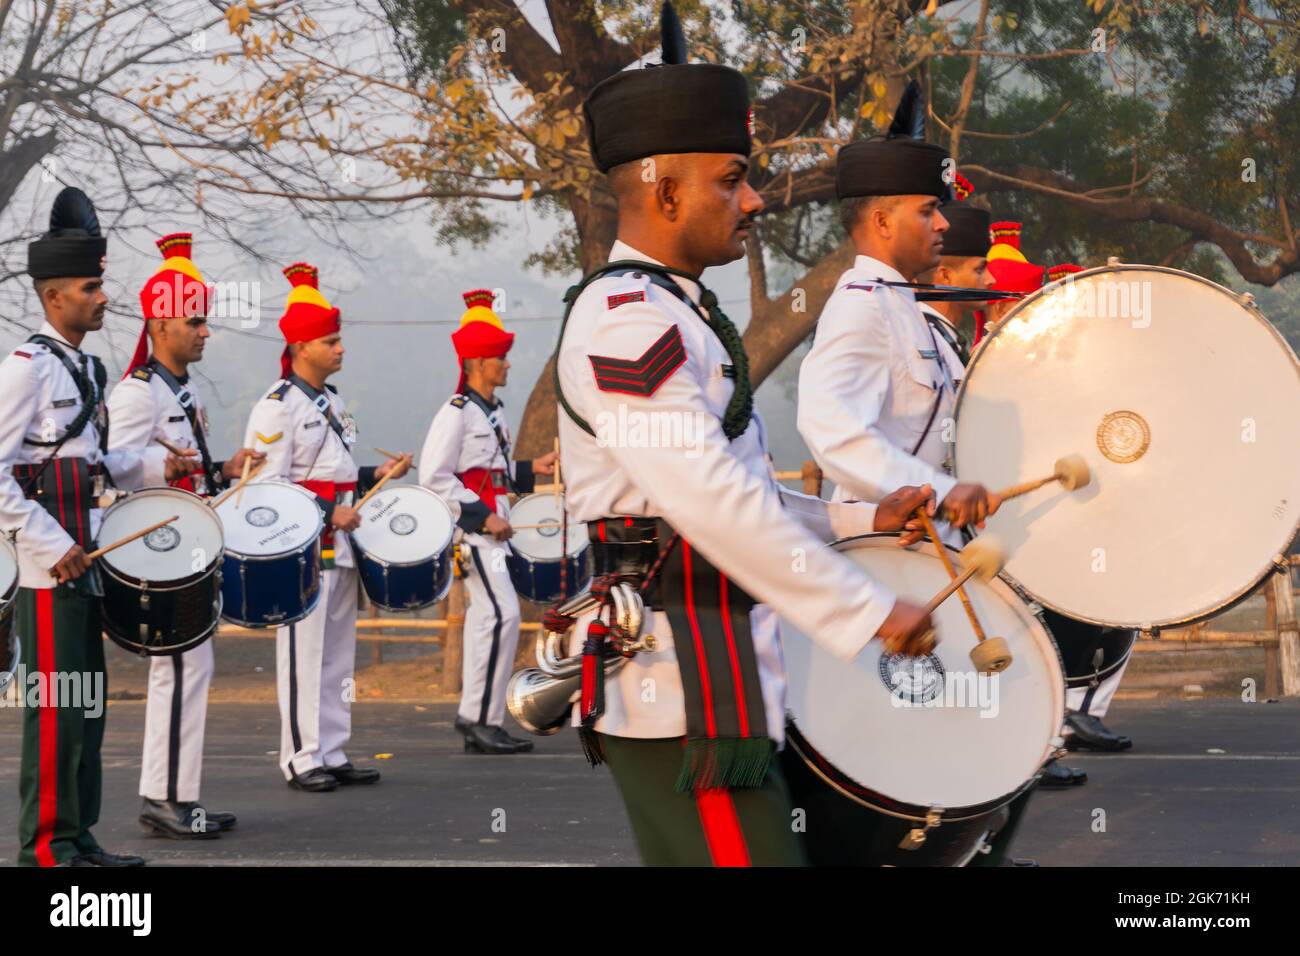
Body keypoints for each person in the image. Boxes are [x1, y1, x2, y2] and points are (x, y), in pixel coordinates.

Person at [551, 1, 937, 866]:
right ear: (665, 191)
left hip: (718, 688)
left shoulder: (675, 312)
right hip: (680, 694)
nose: (755, 199)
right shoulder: (623, 320)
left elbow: (738, 492)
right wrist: (867, 608)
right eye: (733, 179)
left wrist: (859, 525)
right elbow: (708, 499)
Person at [0, 187, 194, 866]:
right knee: (54, 714)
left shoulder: (84, 367)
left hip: (90, 559)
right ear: (54, 297)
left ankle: (78, 836)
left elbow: (92, 464)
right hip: (48, 570)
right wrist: (50, 547)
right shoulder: (24, 370)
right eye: (91, 286)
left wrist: (157, 466)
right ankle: (45, 849)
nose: (102, 297)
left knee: (86, 710)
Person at [107, 232, 263, 838]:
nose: (204, 331)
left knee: (192, 669)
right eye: (195, 320)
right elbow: (115, 464)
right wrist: (157, 467)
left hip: (189, 546)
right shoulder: (135, 391)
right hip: (158, 552)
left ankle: (180, 792)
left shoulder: (181, 389)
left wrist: (222, 467)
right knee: (177, 671)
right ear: (161, 321)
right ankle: (162, 797)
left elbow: (182, 459)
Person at [796, 85, 998, 546]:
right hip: (886, 554)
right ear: (883, 222)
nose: (944, 224)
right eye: (928, 211)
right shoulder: (862, 304)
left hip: (930, 545)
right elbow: (827, 424)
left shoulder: (898, 303)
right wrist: (944, 492)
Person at [243, 262, 409, 792]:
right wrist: (325, 511)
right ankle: (300, 756)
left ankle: (333, 749)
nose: (341, 350)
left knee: (338, 652)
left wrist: (374, 475)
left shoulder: (334, 403)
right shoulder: (276, 408)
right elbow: (269, 487)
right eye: (331, 341)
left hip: (340, 540)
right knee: (303, 652)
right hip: (299, 545)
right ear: (301, 347)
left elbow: (336, 473)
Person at [418, 290, 557, 754]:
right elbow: (435, 478)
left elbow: (488, 471)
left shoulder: (491, 410)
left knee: (491, 619)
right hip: (474, 533)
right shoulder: (454, 412)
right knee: (502, 615)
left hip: (493, 529)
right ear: (477, 361)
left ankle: (477, 718)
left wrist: (530, 468)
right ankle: (480, 718)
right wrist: (482, 519)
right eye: (500, 357)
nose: (507, 364)